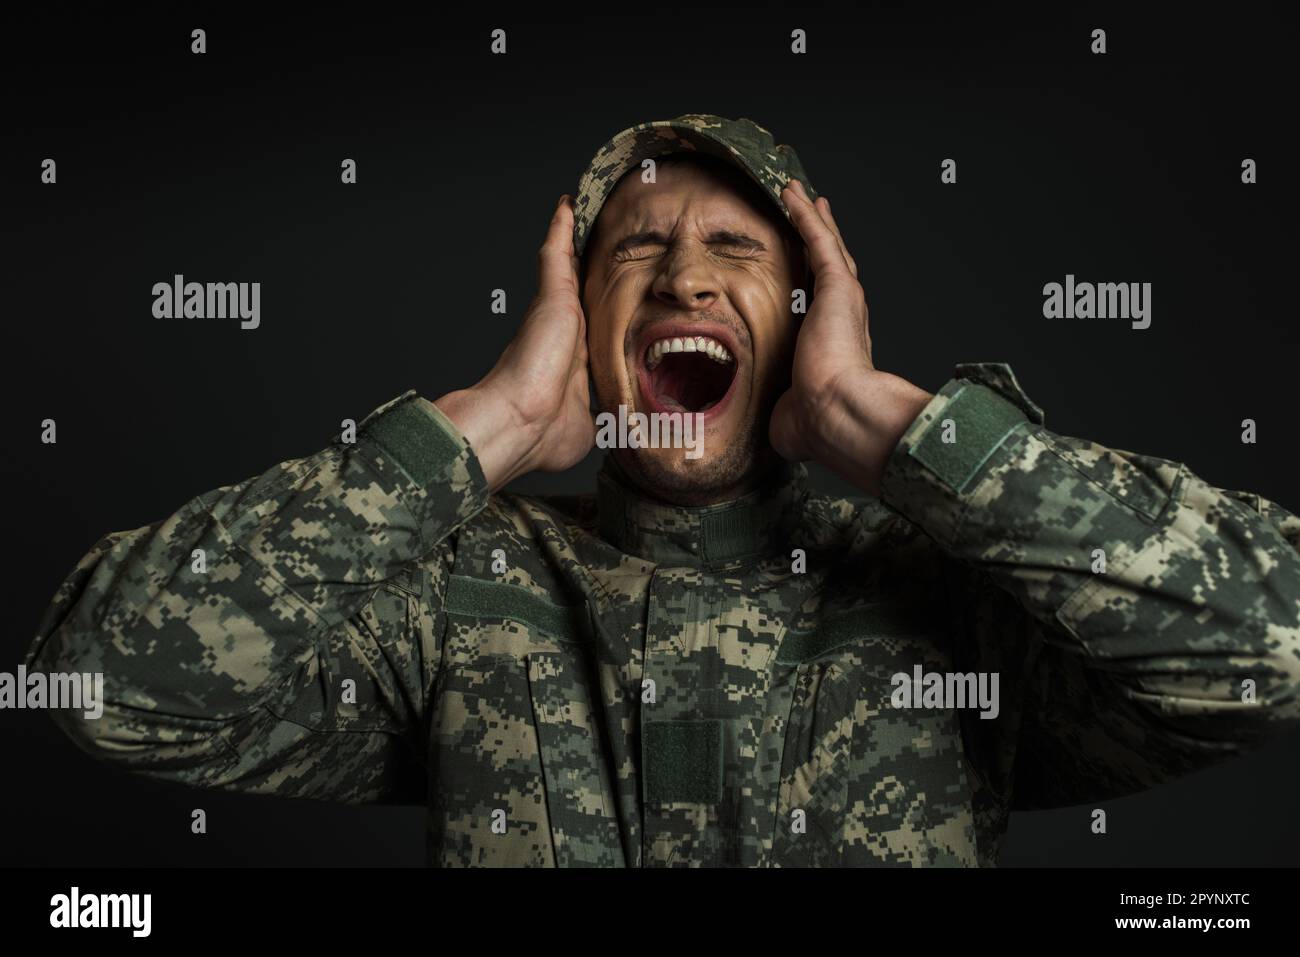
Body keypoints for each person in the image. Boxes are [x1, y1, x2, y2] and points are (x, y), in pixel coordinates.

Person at [28, 115, 1300, 867]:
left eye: (736, 251)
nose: (688, 280)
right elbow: (108, 685)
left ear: (801, 315)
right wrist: (488, 427)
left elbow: (1276, 640)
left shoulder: (950, 601)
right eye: (639, 248)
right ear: (575, 323)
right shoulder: (459, 593)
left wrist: (880, 424)